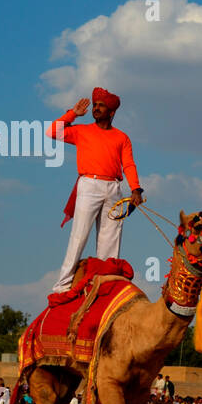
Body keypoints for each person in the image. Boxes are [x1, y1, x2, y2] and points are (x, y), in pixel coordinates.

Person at [47, 87, 144, 292]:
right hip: (89, 184)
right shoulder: (82, 130)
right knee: (79, 234)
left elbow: (128, 164)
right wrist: (73, 114)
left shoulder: (122, 137)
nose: (96, 108)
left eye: (101, 106)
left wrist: (135, 189)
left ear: (112, 112)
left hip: (114, 187)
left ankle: (105, 283)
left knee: (111, 237)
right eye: (95, 105)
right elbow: (52, 132)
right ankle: (62, 285)